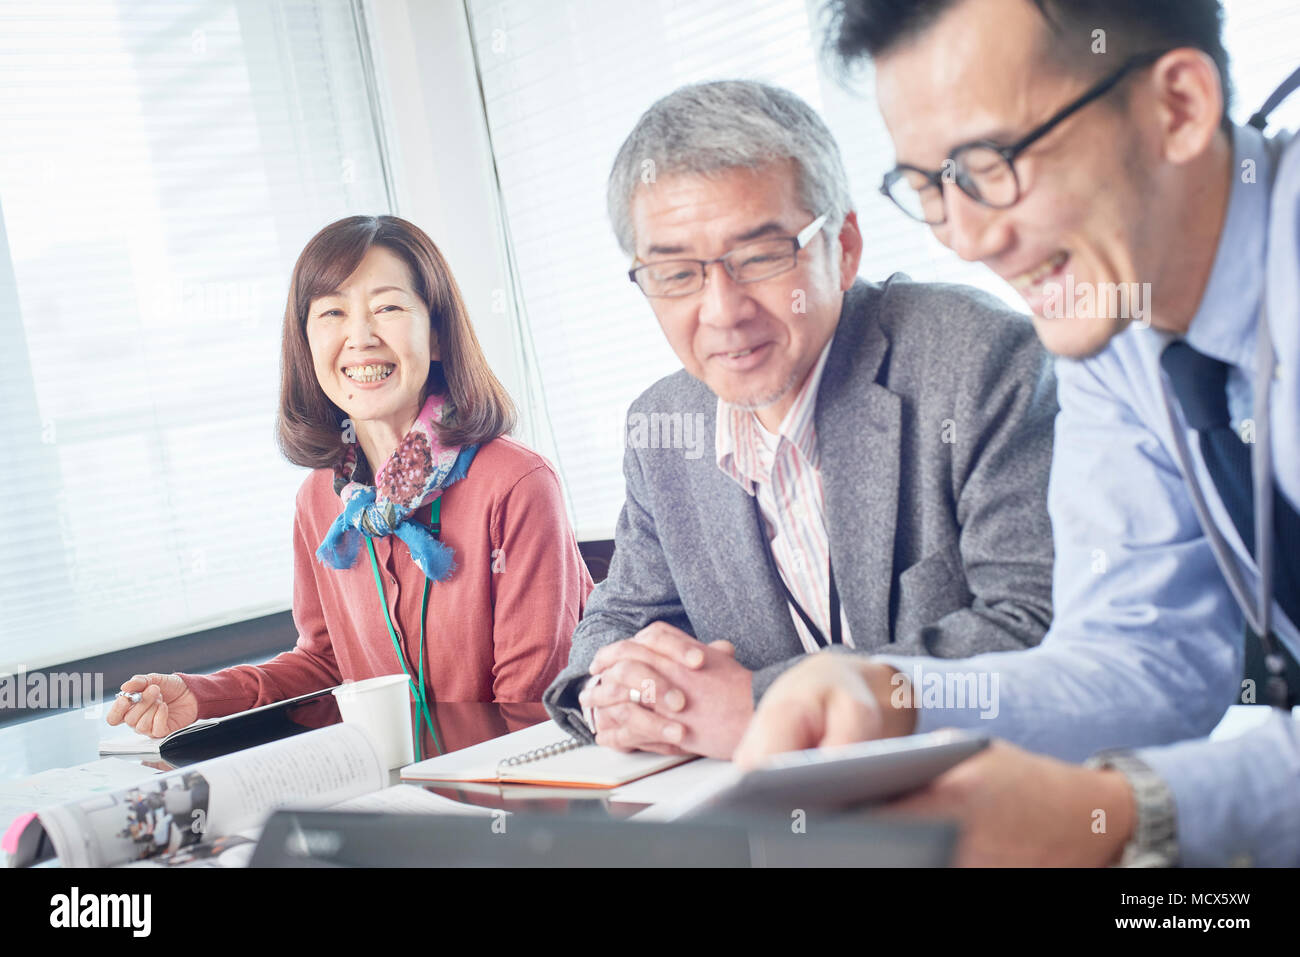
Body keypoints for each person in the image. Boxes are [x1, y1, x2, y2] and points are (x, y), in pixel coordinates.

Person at [737, 0, 1300, 866]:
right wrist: (895, 693)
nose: (968, 240)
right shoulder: (1116, 331)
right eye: (930, 186)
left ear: (1178, 107)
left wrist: (1130, 810)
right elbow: (1140, 655)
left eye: (990, 163)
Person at [542, 80, 1059, 760]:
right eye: (676, 273)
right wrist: (607, 690)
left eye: (759, 257)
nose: (722, 311)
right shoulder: (663, 425)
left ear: (842, 246)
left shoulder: (978, 360)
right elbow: (625, 615)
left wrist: (762, 704)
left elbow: (1035, 630)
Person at [107, 215, 592, 743]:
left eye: (387, 307)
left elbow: (531, 714)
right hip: (395, 796)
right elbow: (327, 668)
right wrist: (202, 695)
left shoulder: (516, 483)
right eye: (333, 312)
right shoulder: (321, 499)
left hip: (509, 794)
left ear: (437, 336)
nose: (360, 338)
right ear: (307, 344)